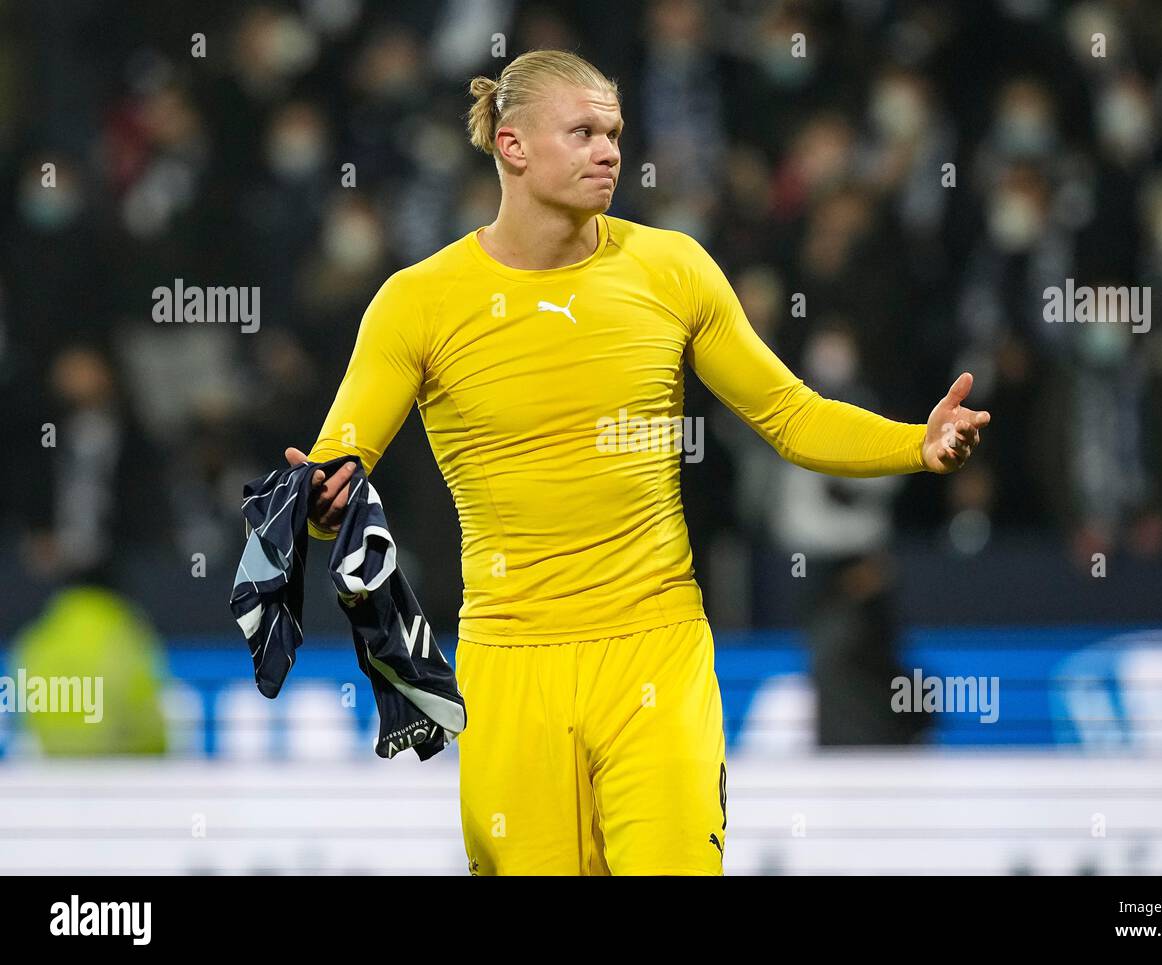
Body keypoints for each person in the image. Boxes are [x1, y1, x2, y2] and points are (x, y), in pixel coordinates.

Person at [283, 49, 989, 876]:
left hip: (657, 647)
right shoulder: (418, 301)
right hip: (511, 666)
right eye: (582, 132)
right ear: (512, 146)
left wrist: (917, 441)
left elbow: (790, 416)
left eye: (614, 132)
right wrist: (322, 505)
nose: (609, 151)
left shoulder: (672, 268)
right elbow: (338, 469)